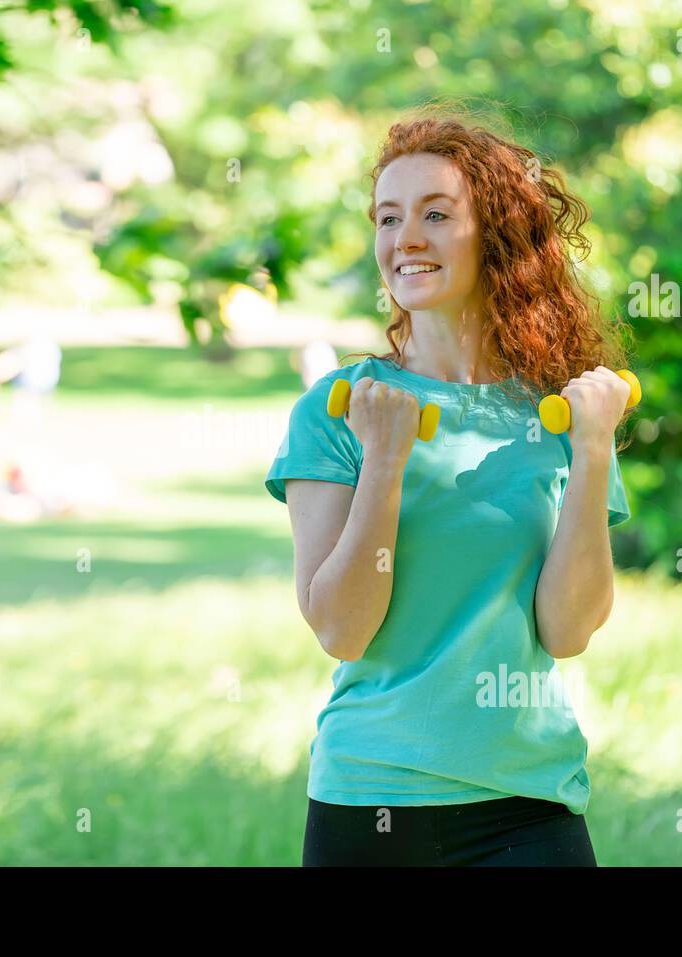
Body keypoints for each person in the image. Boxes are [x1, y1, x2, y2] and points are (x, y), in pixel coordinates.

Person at [265, 105, 635, 867]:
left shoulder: (563, 411)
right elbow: (341, 627)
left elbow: (567, 631)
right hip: (372, 800)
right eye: (388, 217)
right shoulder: (344, 410)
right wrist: (386, 461)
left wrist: (593, 449)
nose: (406, 238)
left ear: (494, 234)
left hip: (528, 802)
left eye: (437, 213)